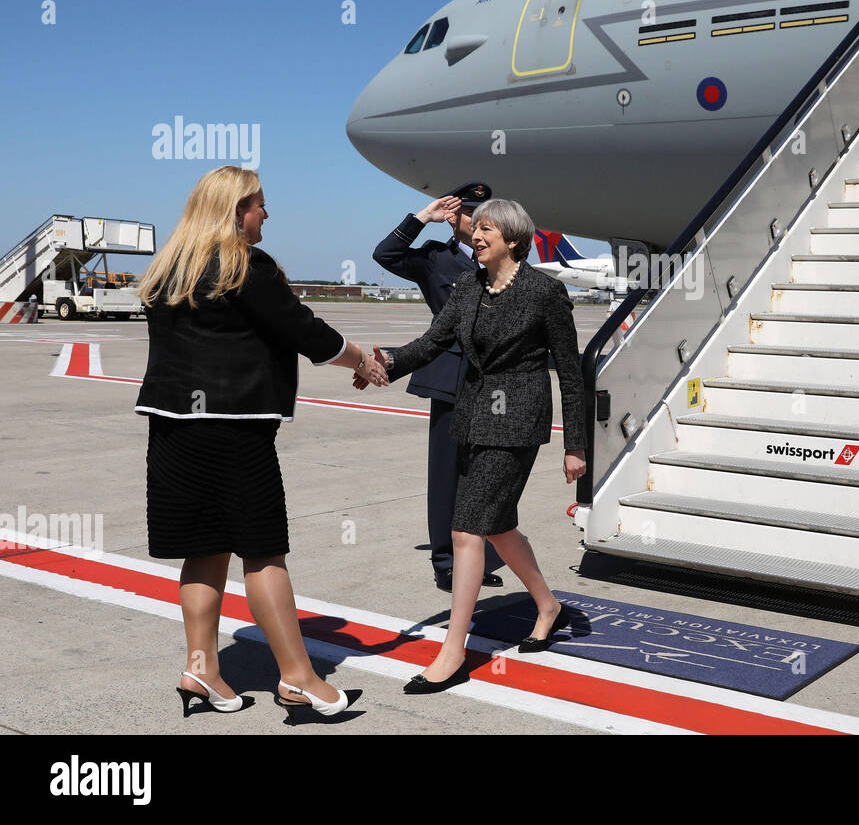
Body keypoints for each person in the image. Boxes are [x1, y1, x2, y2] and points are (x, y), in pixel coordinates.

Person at [134, 165, 389, 723]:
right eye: (259, 205)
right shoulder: (243, 265)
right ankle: (298, 678)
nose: (266, 214)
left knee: (204, 548)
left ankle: (201, 666)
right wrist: (362, 361)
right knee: (263, 550)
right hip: (233, 429)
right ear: (235, 211)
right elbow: (304, 330)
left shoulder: (168, 268)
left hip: (172, 427)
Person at [359, 199, 587, 694]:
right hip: (472, 416)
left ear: (512, 238)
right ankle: (548, 606)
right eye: (475, 228)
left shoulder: (545, 292)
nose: (476, 235)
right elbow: (433, 341)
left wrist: (576, 445)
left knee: (465, 530)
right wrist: (386, 363)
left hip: (518, 422)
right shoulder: (470, 286)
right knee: (499, 527)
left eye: (486, 229)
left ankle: (453, 649)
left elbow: (571, 373)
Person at [373, 182, 505, 594]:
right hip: (452, 378)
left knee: (486, 475)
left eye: (486, 214)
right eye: (470, 213)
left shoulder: (501, 260)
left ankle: (481, 557)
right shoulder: (435, 258)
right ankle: (446, 561)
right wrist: (420, 218)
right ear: (453, 216)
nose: (481, 222)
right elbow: (385, 255)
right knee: (447, 474)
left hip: (495, 382)